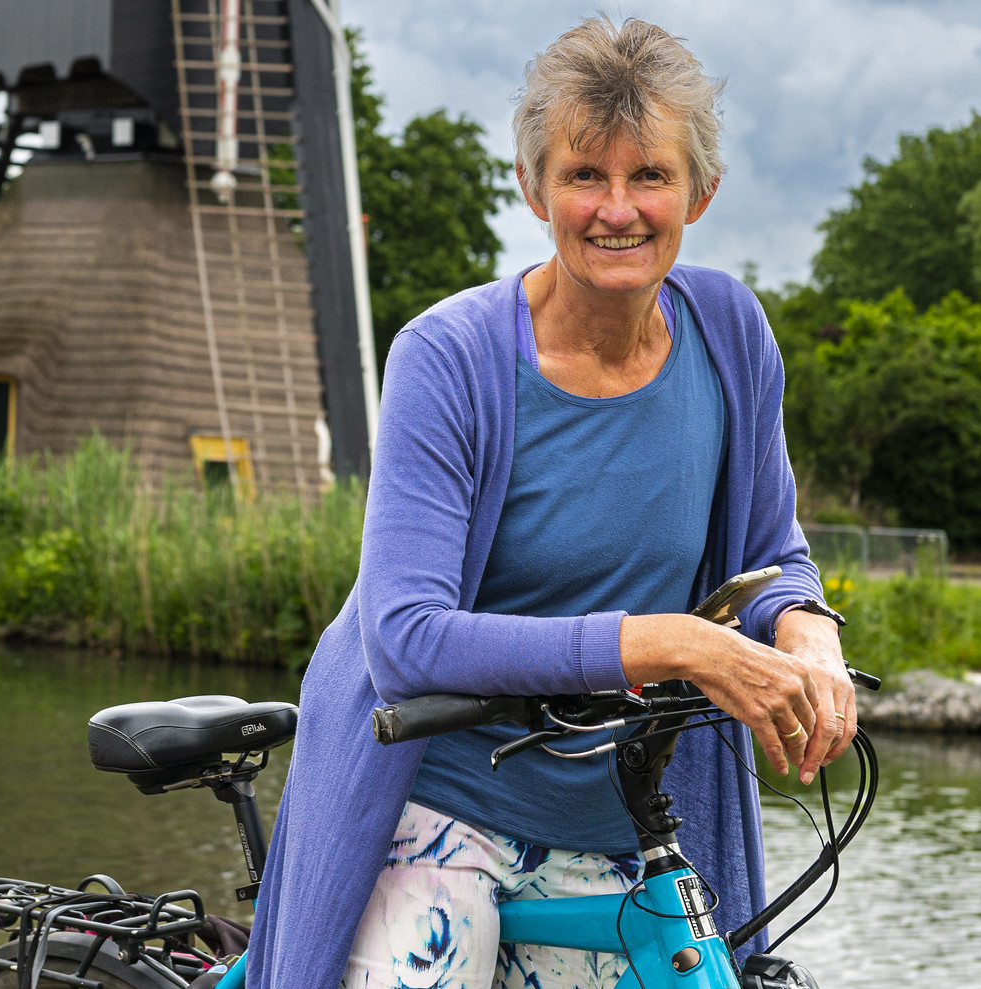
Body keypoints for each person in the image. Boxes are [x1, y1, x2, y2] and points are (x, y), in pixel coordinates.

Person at [247, 14, 856, 989]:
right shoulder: (448, 359)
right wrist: (669, 641)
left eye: (648, 175)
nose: (618, 209)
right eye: (585, 176)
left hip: (625, 817)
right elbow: (404, 636)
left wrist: (805, 623)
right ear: (534, 187)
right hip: (436, 798)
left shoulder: (731, 334)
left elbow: (771, 550)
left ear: (700, 190)